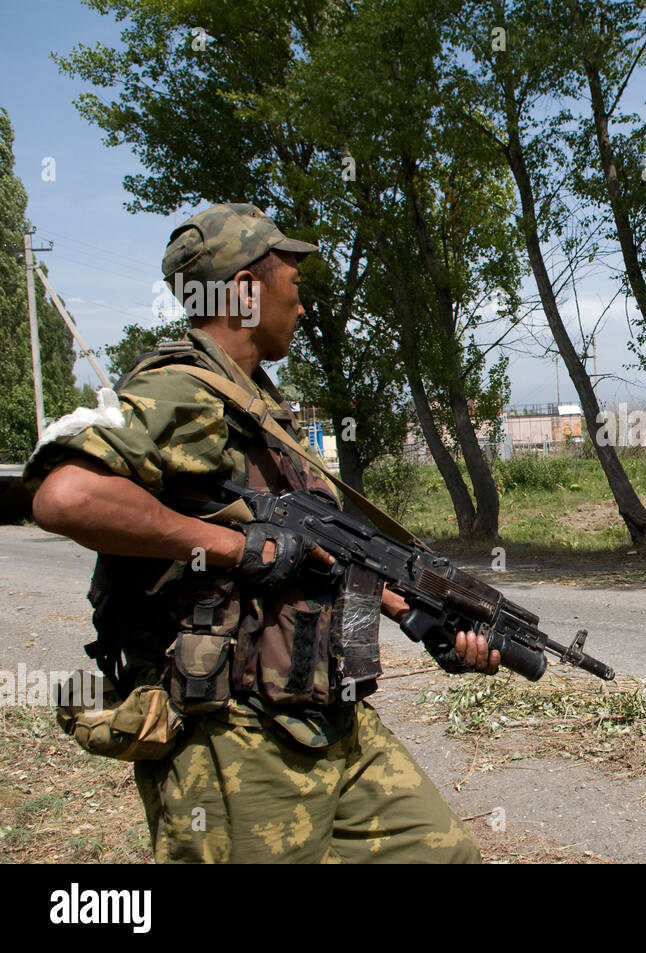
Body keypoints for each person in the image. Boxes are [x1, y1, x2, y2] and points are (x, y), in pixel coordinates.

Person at [25, 202, 500, 861]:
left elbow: (319, 561)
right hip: (230, 736)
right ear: (247, 291)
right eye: (293, 285)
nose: (302, 306)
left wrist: (427, 619)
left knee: (442, 852)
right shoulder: (180, 392)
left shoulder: (262, 410)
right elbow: (66, 496)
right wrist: (238, 546)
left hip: (324, 716)